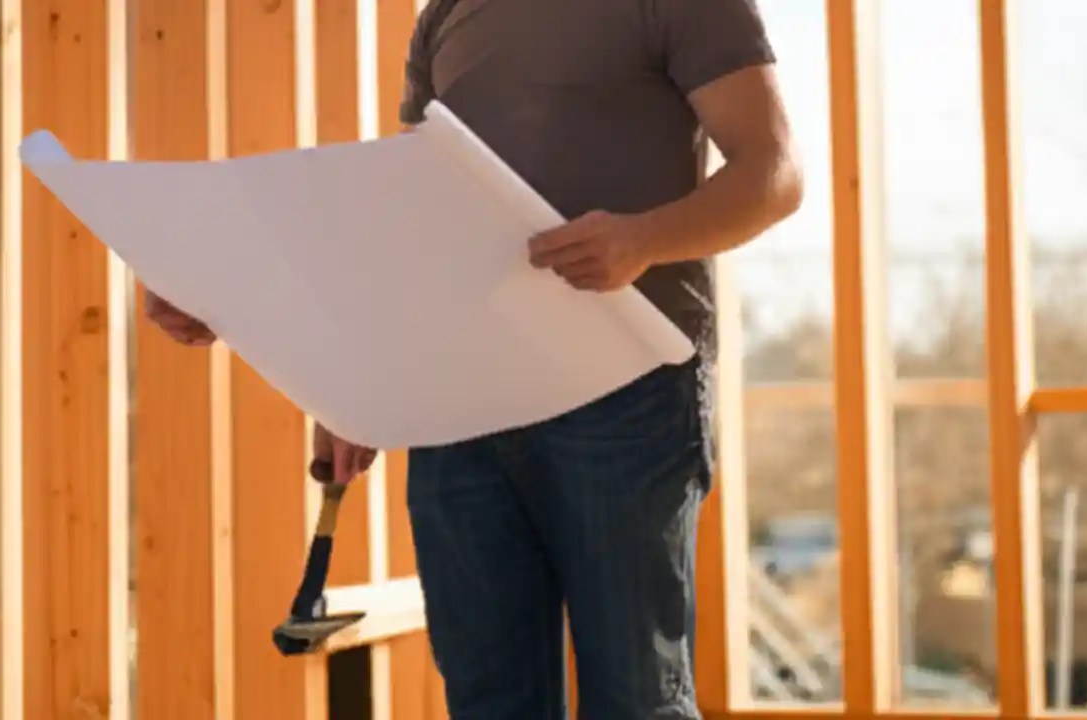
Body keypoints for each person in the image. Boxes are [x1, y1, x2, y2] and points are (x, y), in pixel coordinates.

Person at [147, 0, 801, 716]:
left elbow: (775, 172)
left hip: (626, 398)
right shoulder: (447, 14)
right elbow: (421, 224)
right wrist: (361, 384)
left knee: (637, 699)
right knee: (489, 702)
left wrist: (642, 240)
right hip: (462, 401)